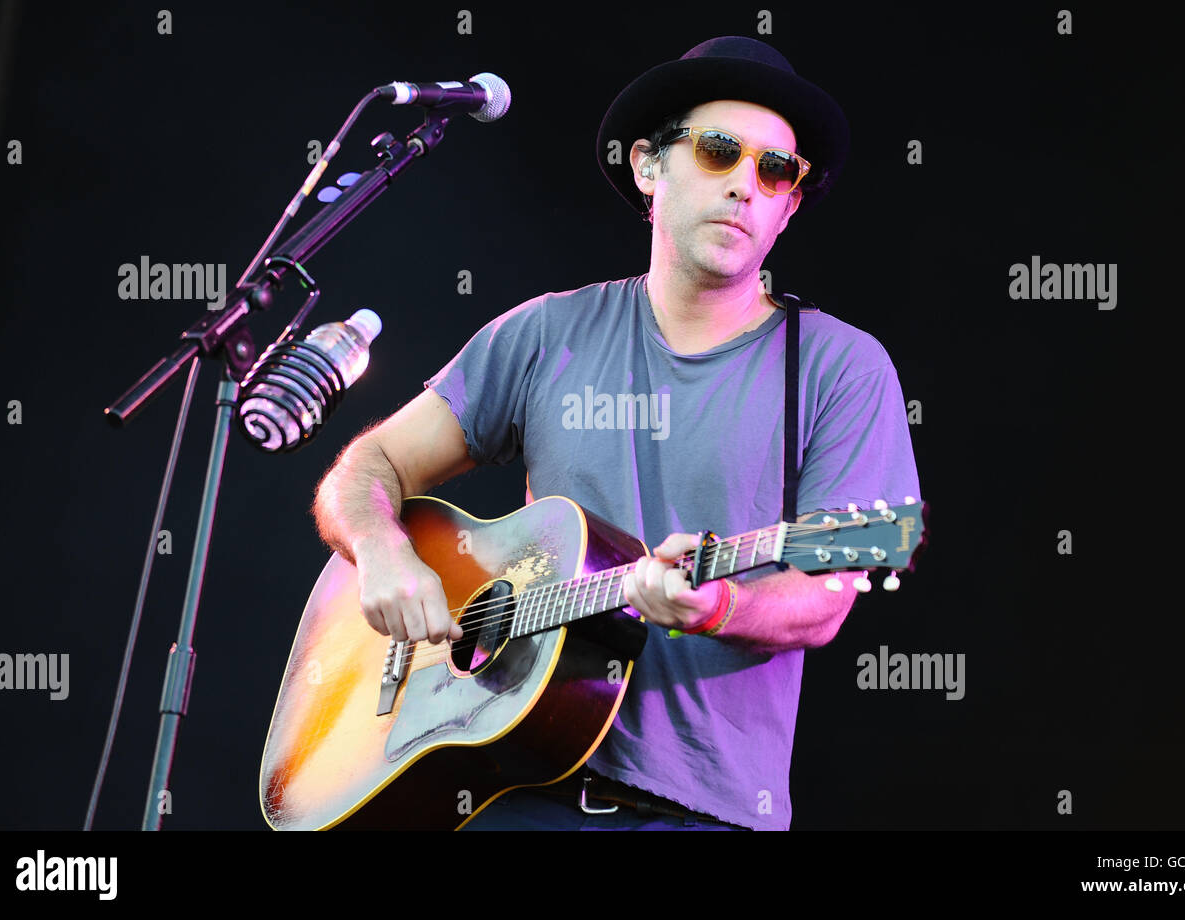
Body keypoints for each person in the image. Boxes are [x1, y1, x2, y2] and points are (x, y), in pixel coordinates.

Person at [312, 36, 920, 830]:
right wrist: (386, 556)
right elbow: (369, 466)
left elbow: (824, 599)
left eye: (776, 171)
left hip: (703, 813)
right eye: (718, 151)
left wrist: (715, 605)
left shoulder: (842, 367)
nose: (745, 185)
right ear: (647, 166)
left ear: (789, 205)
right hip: (506, 789)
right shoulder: (545, 333)